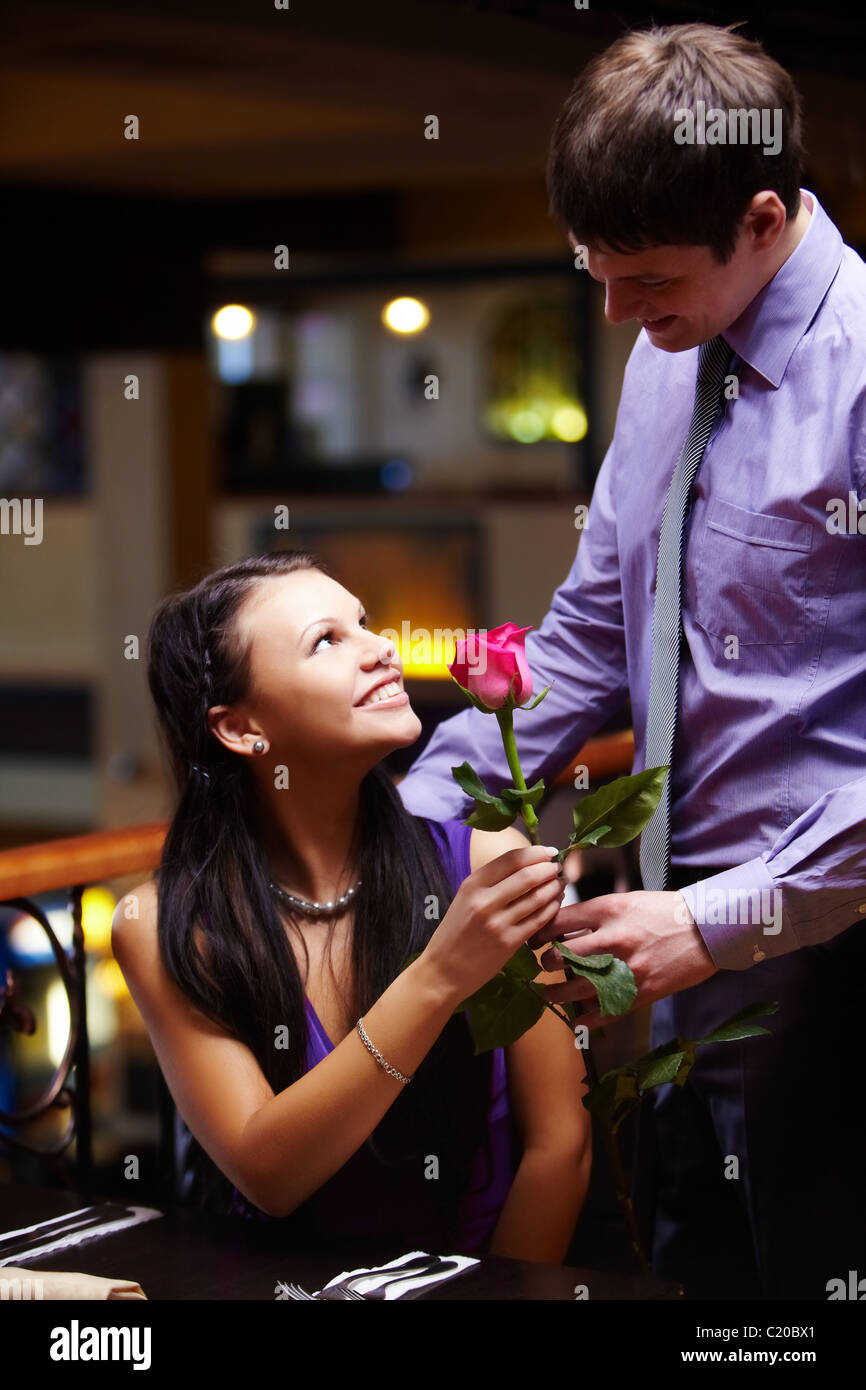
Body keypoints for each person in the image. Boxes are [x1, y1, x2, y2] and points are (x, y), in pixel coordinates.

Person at [397, 22, 866, 1299]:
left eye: (644, 279)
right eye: (590, 272)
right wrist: (407, 820)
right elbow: (597, 631)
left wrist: (719, 921)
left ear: (762, 219)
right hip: (673, 929)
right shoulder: (667, 342)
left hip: (831, 948)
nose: (614, 314)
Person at [111, 550, 590, 1263]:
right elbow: (267, 1173)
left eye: (363, 624)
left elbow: (562, 1143)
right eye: (326, 640)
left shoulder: (482, 860)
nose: (380, 650)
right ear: (243, 731)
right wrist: (439, 977)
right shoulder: (160, 927)